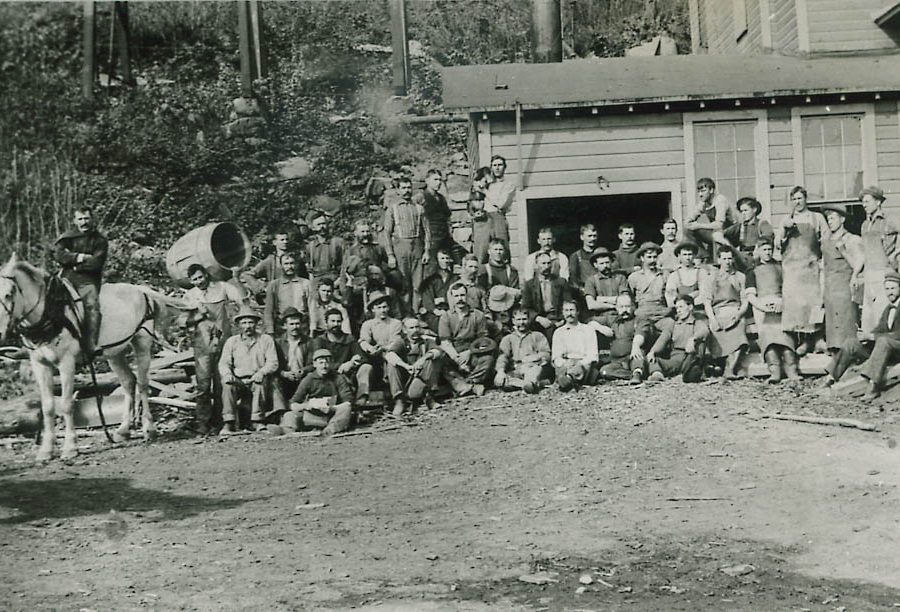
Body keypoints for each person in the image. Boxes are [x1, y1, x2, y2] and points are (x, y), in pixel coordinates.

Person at [182, 263, 247, 435]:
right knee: (203, 384)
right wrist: (198, 315)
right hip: (202, 345)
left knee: (222, 383)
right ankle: (203, 423)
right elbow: (183, 321)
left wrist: (236, 278)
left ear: (206, 275)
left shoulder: (222, 288)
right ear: (190, 281)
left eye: (200, 277)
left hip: (224, 341)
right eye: (194, 279)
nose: (198, 282)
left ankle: (222, 421)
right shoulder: (190, 296)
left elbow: (242, 299)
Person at [819, 271, 900, 400]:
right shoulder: (888, 309)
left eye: (893, 288)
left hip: (896, 349)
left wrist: (874, 337)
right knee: (851, 343)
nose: (890, 292)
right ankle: (831, 378)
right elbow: (879, 329)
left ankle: (873, 386)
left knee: (883, 341)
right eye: (887, 289)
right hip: (884, 348)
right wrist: (866, 336)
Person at [778, 186, 828, 355]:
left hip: (811, 267)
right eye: (794, 199)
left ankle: (819, 339)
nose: (797, 202)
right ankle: (804, 342)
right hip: (793, 270)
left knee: (814, 304)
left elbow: (826, 241)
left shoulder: (817, 218)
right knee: (797, 307)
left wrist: (822, 261)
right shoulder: (786, 219)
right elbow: (778, 244)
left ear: (806, 199)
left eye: (800, 198)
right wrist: (785, 230)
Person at [53, 206, 108, 357]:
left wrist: (74, 264)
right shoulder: (67, 237)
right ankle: (41, 339)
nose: (84, 222)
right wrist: (80, 257)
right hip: (65, 277)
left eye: (87, 218)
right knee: (47, 299)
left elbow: (96, 262)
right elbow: (59, 255)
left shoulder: (100, 240)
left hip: (87, 279)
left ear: (92, 219)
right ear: (75, 221)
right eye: (80, 219)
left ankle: (91, 342)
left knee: (92, 305)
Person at [744, 238, 799, 383]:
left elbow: (789, 289)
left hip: (781, 305)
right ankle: (774, 371)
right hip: (762, 307)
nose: (768, 253)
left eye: (769, 249)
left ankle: (791, 369)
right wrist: (763, 307)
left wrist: (782, 302)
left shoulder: (780, 267)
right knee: (769, 339)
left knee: (785, 338)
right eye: (764, 250)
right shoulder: (752, 271)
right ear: (758, 250)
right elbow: (750, 296)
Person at [218, 307, 280, 433]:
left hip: (256, 377)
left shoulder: (266, 340)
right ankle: (228, 423)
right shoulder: (232, 341)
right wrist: (227, 374)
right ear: (238, 325)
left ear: (256, 324)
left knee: (260, 383)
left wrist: (262, 372)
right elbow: (224, 362)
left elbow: (273, 362)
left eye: (251, 322)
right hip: (238, 380)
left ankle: (257, 421)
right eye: (244, 323)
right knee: (227, 384)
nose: (247, 326)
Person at [277, 349, 354, 436]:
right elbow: (293, 403)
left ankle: (331, 429)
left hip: (331, 415)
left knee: (346, 409)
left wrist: (332, 408)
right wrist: (305, 406)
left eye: (327, 363)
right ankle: (287, 429)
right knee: (289, 414)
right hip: (312, 415)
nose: (324, 366)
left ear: (332, 364)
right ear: (315, 364)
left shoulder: (338, 378)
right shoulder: (308, 379)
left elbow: (348, 401)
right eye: (321, 363)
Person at [384, 175, 431, 313]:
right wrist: (390, 255)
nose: (406, 190)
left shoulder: (419, 208)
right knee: (403, 284)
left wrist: (427, 250)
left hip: (417, 247)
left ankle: (416, 313)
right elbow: (386, 233)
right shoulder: (392, 209)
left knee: (418, 284)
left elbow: (427, 231)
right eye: (403, 188)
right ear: (398, 190)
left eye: (408, 187)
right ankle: (404, 314)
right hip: (400, 248)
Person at [439, 282, 495, 396]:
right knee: (440, 361)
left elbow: (482, 340)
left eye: (462, 295)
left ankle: (467, 383)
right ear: (452, 298)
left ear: (467, 296)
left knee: (488, 360)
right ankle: (472, 386)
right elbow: (445, 341)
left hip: (473, 351)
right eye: (456, 296)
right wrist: (457, 358)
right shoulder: (446, 316)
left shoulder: (478, 315)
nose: (460, 299)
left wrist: (469, 352)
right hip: (454, 353)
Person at [821, 203, 864, 351]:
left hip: (844, 289)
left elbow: (858, 264)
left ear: (842, 220)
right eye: (828, 219)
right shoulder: (826, 241)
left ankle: (849, 359)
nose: (830, 222)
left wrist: (843, 251)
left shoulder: (851, 239)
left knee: (846, 326)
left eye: (832, 218)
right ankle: (835, 361)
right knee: (833, 329)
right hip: (829, 289)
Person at [702, 246, 749, 379]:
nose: (727, 262)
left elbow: (745, 300)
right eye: (724, 259)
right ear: (719, 259)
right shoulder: (712, 278)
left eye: (730, 258)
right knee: (712, 330)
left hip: (735, 311)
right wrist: (712, 319)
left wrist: (739, 314)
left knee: (739, 329)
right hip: (717, 312)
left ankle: (730, 368)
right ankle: (716, 364)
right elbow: (707, 302)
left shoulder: (740, 276)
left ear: (733, 259)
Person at [859, 186, 899, 337]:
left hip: (883, 272)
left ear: (878, 202)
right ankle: (869, 348)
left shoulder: (888, 221)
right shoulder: (864, 225)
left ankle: (883, 347)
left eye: (867, 201)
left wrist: (895, 254)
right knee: (868, 313)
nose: (864, 205)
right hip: (869, 273)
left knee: (881, 310)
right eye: (863, 202)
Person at [383, 317, 445, 412]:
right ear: (405, 330)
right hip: (407, 380)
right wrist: (406, 366)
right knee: (392, 364)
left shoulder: (426, 341)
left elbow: (438, 351)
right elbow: (390, 355)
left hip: (422, 379)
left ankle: (429, 398)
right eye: (411, 328)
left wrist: (422, 359)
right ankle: (399, 401)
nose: (415, 330)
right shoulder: (401, 342)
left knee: (431, 360)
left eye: (417, 327)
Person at [357, 290, 405, 412]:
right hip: (376, 360)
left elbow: (396, 342)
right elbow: (363, 341)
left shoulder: (395, 323)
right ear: (373, 309)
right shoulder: (368, 324)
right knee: (365, 367)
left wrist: (384, 348)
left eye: (385, 307)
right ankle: (362, 399)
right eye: (379, 307)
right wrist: (370, 348)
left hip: (392, 356)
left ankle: (398, 400)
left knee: (391, 359)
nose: (383, 310)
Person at [646, 294, 708, 383]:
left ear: (690, 307)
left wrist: (693, 339)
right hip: (675, 358)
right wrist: (653, 351)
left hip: (690, 356)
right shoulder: (674, 324)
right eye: (677, 308)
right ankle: (657, 374)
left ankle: (692, 372)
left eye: (681, 307)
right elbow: (664, 338)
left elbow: (704, 330)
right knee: (653, 360)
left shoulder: (697, 322)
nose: (678, 310)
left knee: (694, 363)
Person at [342, 219, 390, 326]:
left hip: (375, 288)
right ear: (356, 233)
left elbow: (386, 266)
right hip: (357, 289)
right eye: (362, 232)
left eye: (367, 231)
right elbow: (344, 272)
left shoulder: (378, 248)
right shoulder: (351, 251)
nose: (365, 234)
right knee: (358, 318)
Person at [307, 308, 366, 393]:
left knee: (366, 367)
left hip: (348, 375)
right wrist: (341, 366)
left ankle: (362, 398)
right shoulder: (319, 341)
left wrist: (351, 363)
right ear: (326, 323)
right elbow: (314, 362)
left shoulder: (349, 339)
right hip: (326, 374)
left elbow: (362, 358)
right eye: (333, 321)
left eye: (338, 321)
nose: (336, 324)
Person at [495, 307, 552, 393]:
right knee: (501, 381)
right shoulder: (508, 339)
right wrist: (500, 371)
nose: (522, 322)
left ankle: (527, 384)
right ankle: (532, 384)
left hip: (533, 367)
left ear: (529, 320)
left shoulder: (537, 336)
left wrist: (534, 359)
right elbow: (502, 356)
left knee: (535, 371)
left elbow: (546, 354)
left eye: (524, 319)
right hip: (517, 370)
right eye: (519, 319)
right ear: (513, 321)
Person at [241, 228, 306, 302]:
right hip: (277, 298)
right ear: (275, 242)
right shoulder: (270, 261)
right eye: (282, 240)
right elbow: (248, 275)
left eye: (287, 239)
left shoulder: (296, 259)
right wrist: (262, 288)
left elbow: (305, 277)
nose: (285, 242)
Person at [596, 293, 648, 384]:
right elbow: (589, 321)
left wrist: (636, 346)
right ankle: (631, 375)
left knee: (638, 354)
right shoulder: (612, 320)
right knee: (604, 371)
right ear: (616, 308)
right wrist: (600, 327)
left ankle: (637, 374)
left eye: (627, 306)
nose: (624, 310)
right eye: (621, 307)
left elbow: (641, 333)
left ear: (633, 307)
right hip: (618, 362)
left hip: (632, 356)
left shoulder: (639, 320)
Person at [521, 251, 571, 343]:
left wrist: (563, 320)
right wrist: (538, 318)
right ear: (536, 266)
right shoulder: (529, 285)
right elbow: (525, 308)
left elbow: (568, 303)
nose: (546, 266)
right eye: (543, 263)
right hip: (538, 320)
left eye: (549, 263)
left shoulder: (561, 282)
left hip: (557, 318)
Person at [684, 178, 737, 262]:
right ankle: (703, 255)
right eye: (699, 192)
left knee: (717, 234)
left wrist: (698, 225)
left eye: (703, 191)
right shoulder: (703, 203)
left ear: (711, 190)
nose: (700, 194)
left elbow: (719, 224)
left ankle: (719, 259)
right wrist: (689, 223)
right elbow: (689, 218)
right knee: (688, 230)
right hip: (717, 231)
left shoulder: (720, 200)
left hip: (731, 232)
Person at [552, 300, 599, 391]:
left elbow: (593, 356)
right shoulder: (559, 332)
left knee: (581, 369)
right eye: (566, 310)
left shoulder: (588, 330)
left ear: (578, 312)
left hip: (583, 364)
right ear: (562, 312)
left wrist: (579, 363)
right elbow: (556, 357)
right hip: (566, 364)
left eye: (572, 310)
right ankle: (569, 380)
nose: (569, 314)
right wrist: (565, 364)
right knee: (561, 368)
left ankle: (568, 380)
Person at [263, 252, 311, 337]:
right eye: (286, 264)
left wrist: (313, 327)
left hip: (302, 326)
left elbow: (312, 307)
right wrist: (270, 330)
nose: (289, 267)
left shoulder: (306, 283)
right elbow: (268, 310)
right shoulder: (274, 285)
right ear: (281, 266)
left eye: (292, 263)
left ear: (296, 265)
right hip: (281, 326)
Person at [628, 242, 672, 332]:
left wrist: (668, 310)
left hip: (661, 313)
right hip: (643, 314)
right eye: (649, 257)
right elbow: (630, 299)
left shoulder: (664, 275)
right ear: (642, 258)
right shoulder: (634, 277)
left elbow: (671, 296)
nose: (652, 260)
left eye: (655, 257)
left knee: (671, 325)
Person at [414, 169, 455, 264]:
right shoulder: (420, 197)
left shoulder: (441, 198)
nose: (439, 182)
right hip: (430, 238)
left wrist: (450, 231)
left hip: (444, 237)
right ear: (427, 181)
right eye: (435, 179)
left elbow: (447, 216)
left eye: (440, 180)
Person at [723, 197, 774, 271]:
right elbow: (723, 234)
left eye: (746, 210)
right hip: (741, 257)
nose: (743, 213)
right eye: (741, 211)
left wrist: (758, 247)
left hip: (756, 257)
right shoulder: (741, 225)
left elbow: (768, 235)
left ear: (754, 210)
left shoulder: (762, 223)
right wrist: (728, 244)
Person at [584, 247, 629, 327]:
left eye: (607, 262)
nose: (605, 266)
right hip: (600, 318)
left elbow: (624, 300)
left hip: (619, 316)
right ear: (595, 265)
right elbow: (591, 305)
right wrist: (614, 304)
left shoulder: (620, 278)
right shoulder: (591, 280)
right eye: (602, 263)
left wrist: (601, 299)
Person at [274, 307, 308, 404]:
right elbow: (273, 364)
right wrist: (284, 373)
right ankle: (281, 410)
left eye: (297, 323)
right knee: (274, 381)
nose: (295, 327)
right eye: (291, 324)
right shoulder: (278, 343)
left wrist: (303, 371)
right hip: (284, 378)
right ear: (285, 326)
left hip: (302, 378)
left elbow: (312, 363)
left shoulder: (309, 342)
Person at [419, 248, 458, 334]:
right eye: (442, 258)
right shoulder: (431, 279)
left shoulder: (454, 278)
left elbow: (457, 294)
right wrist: (435, 310)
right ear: (437, 260)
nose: (445, 261)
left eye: (447, 258)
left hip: (450, 309)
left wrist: (444, 299)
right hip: (434, 312)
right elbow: (427, 298)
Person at [303, 210, 344, 291]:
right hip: (317, 283)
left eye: (324, 224)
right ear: (313, 227)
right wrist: (312, 285)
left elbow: (344, 265)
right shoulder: (309, 246)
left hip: (334, 282)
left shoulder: (337, 243)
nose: (322, 227)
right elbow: (310, 270)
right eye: (318, 224)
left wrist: (338, 281)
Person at [484, 154, 516, 247]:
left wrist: (484, 191)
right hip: (485, 219)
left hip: (499, 218)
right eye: (494, 165)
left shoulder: (509, 185)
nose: (497, 168)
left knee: (502, 246)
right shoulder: (487, 184)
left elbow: (501, 204)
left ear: (505, 167)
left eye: (500, 165)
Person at [664, 241, 703, 309]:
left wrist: (689, 303)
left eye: (690, 254)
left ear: (694, 255)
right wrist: (694, 294)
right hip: (680, 310)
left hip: (698, 309)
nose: (688, 258)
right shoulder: (674, 275)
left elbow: (704, 295)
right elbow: (670, 299)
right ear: (679, 256)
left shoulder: (701, 273)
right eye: (684, 255)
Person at [468, 191, 498, 264]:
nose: (481, 202)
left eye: (482, 200)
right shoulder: (468, 216)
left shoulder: (488, 218)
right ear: (471, 202)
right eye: (477, 200)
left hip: (484, 247)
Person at [568, 224, 599, 289]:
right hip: (584, 291)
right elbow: (573, 279)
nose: (592, 238)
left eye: (594, 236)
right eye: (589, 236)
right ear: (582, 237)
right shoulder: (576, 256)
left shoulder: (601, 253)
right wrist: (582, 290)